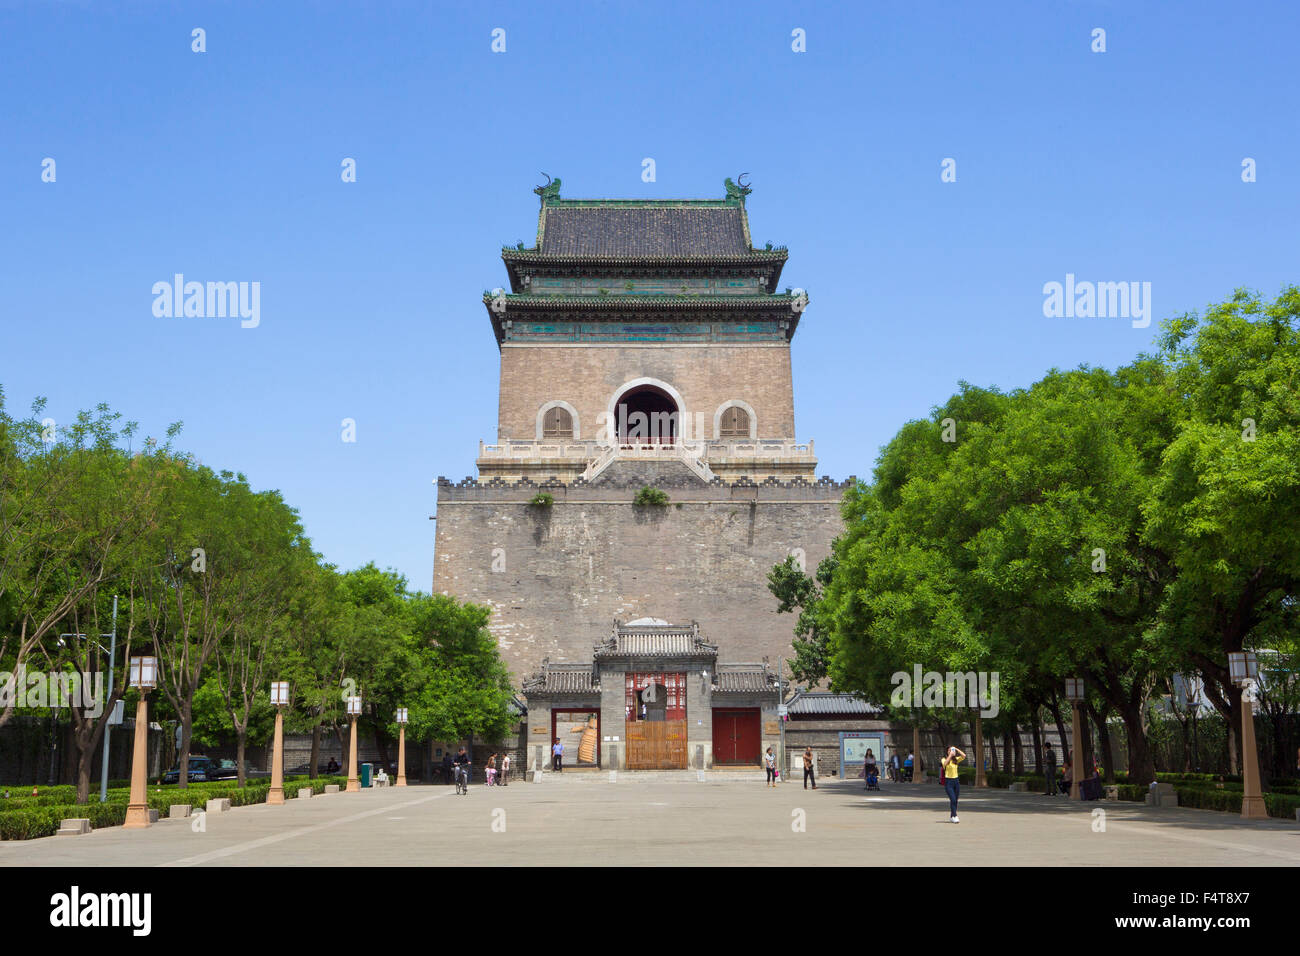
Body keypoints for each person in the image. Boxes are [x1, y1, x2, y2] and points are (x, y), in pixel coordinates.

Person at [942, 745, 966, 823]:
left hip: (956, 781)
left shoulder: (956, 760)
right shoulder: (944, 759)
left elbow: (964, 755)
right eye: (949, 750)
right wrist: (950, 755)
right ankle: (955, 816)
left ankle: (952, 816)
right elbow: (945, 764)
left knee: (955, 800)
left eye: (951, 750)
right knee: (953, 799)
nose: (951, 751)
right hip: (949, 782)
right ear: (947, 752)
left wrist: (956, 749)